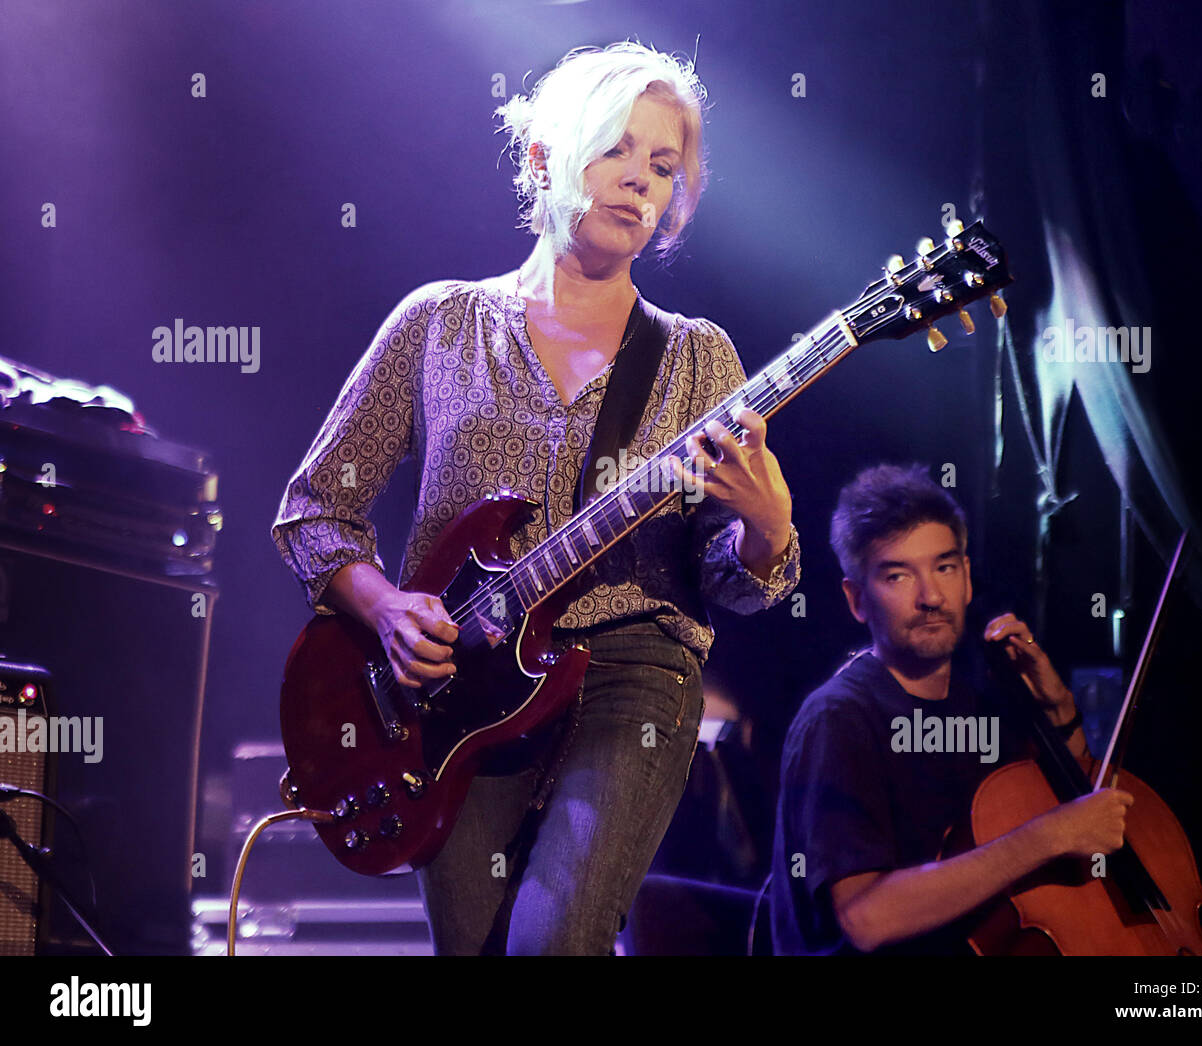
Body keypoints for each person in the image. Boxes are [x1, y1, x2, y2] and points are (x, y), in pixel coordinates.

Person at [271, 41, 800, 955]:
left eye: (664, 166)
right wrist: (389, 608)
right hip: (459, 688)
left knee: (551, 942)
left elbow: (733, 581)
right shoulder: (438, 325)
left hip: (633, 674)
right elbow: (315, 509)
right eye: (616, 150)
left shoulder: (695, 357)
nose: (640, 181)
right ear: (543, 159)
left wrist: (768, 526)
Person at [770, 464, 1132, 955]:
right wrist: (1047, 837)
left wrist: (1059, 709)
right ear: (857, 600)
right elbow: (867, 918)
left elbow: (1067, 814)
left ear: (965, 577)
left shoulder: (977, 705)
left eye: (944, 567)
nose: (931, 597)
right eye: (898, 575)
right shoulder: (840, 719)